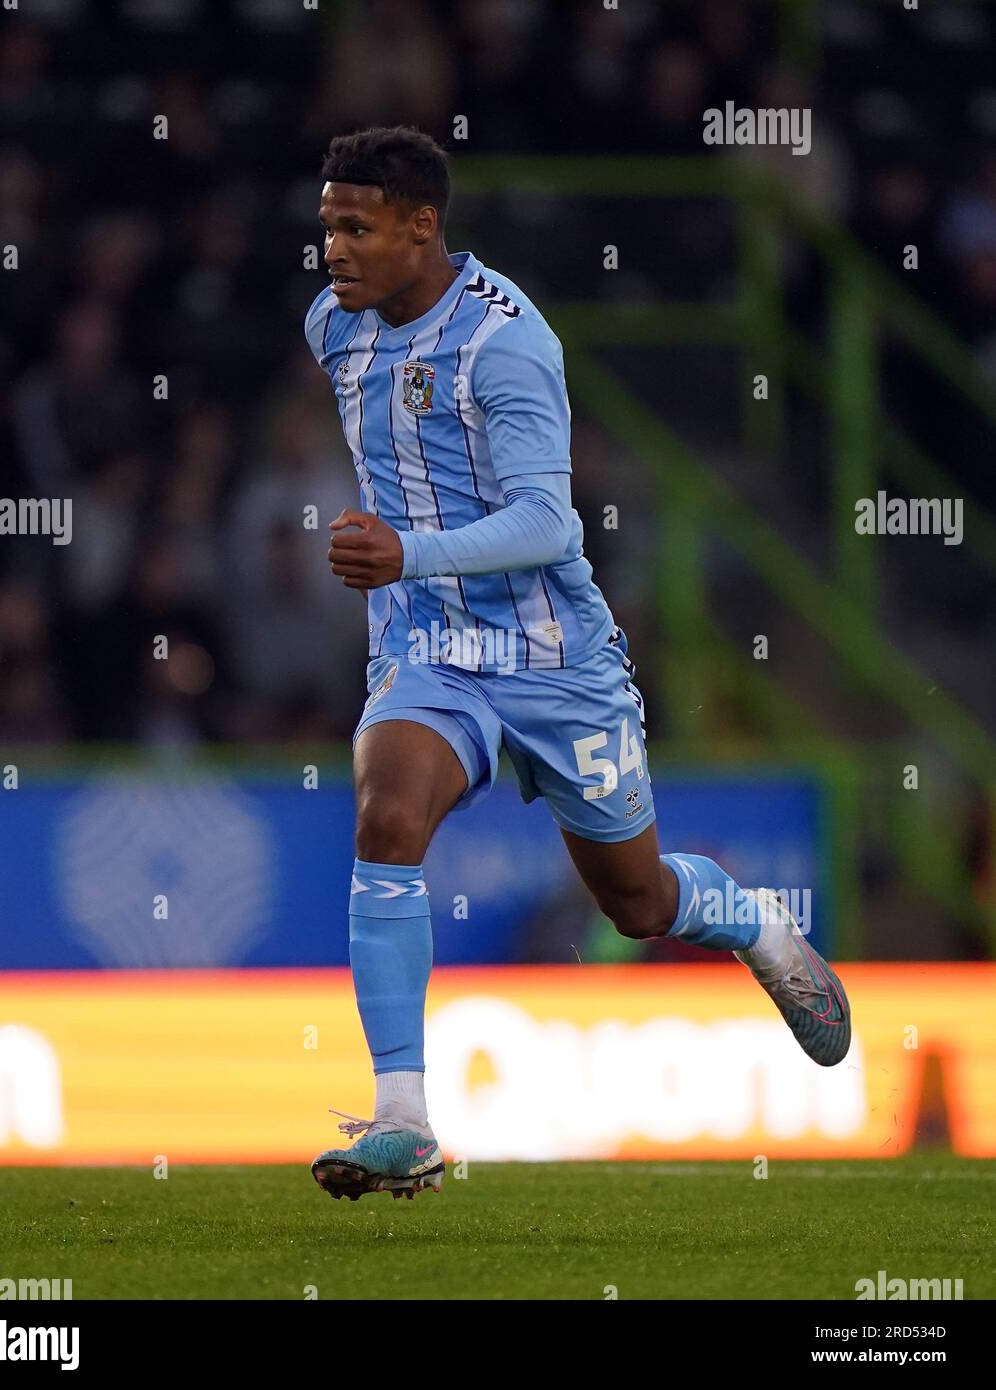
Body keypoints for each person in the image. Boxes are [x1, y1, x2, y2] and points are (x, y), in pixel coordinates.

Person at [302, 125, 850, 1202]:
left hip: (554, 658)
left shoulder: (507, 341)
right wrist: (408, 575)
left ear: (424, 226)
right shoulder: (334, 327)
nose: (334, 251)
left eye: (356, 228)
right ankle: (405, 1120)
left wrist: (407, 549)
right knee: (386, 814)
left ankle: (757, 925)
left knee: (637, 904)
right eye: (327, 226)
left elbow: (551, 524)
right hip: (429, 651)